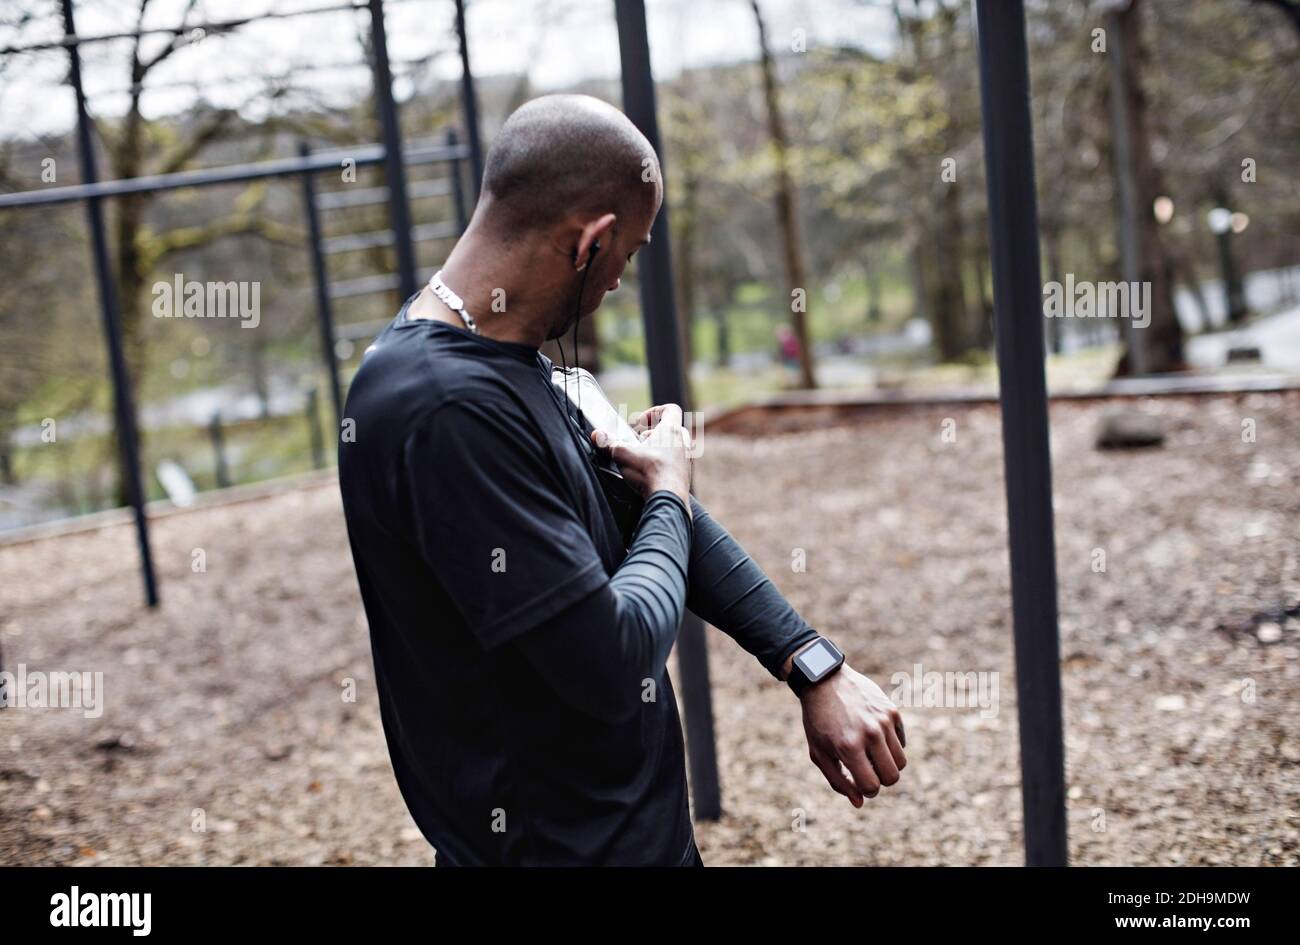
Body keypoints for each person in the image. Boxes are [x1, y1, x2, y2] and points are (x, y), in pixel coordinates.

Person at [337, 94, 906, 866]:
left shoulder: (502, 348)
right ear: (590, 243)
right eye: (628, 255)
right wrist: (672, 487)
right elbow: (611, 659)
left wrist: (809, 662)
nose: (617, 282)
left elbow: (643, 510)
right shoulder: (447, 412)